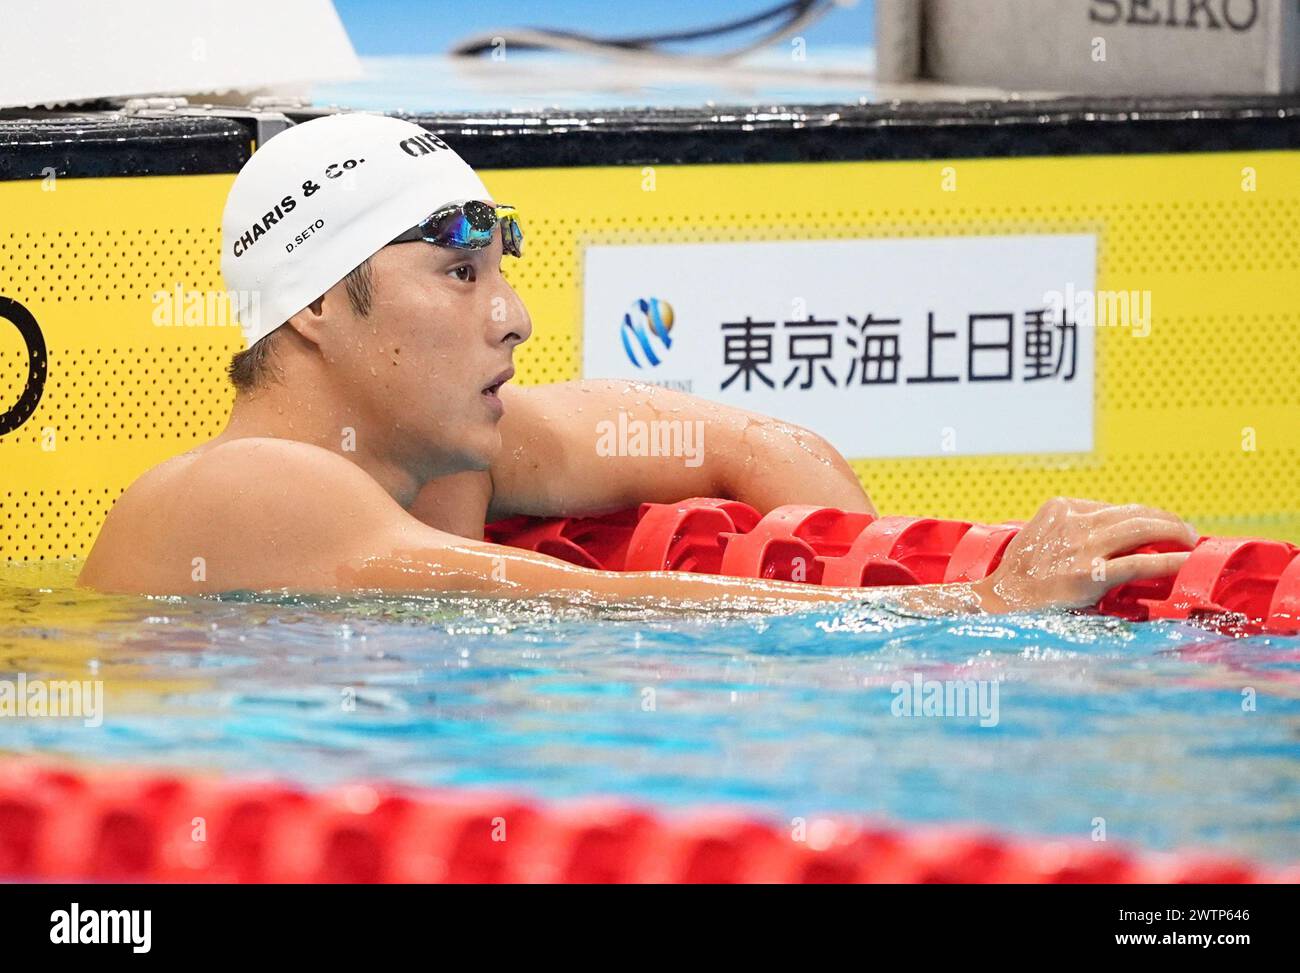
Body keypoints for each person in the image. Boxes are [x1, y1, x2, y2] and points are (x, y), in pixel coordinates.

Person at [79, 113, 1197, 613]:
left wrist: (873, 607)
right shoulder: (247, 490)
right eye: (460, 275)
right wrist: (977, 613)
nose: (513, 318)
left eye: (501, 273)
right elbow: (593, 610)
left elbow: (753, 441)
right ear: (321, 301)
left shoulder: (444, 450)